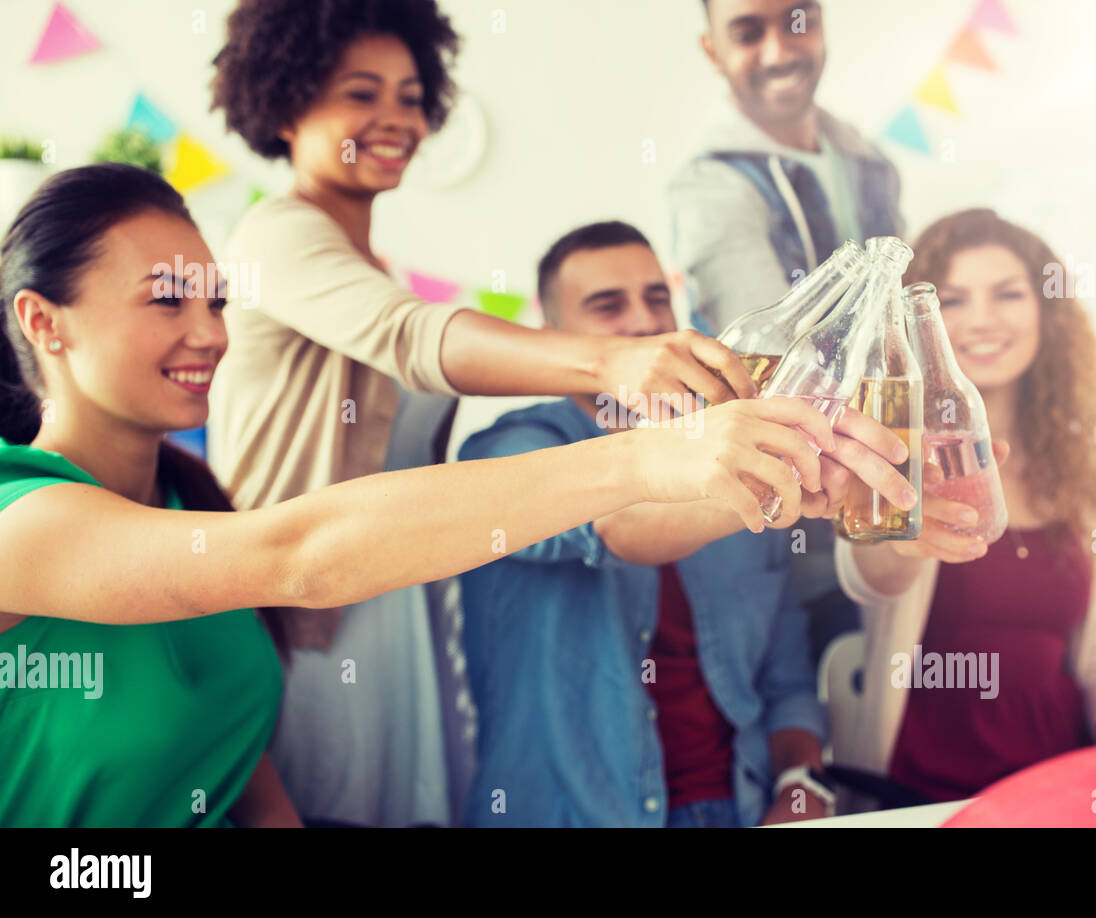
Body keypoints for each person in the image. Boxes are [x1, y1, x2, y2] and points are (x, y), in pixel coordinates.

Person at [0, 163, 840, 827]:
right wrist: (654, 458)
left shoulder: (191, 509)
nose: (211, 332)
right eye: (167, 301)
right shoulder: (19, 521)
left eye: (218, 301)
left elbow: (236, 774)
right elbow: (295, 557)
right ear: (44, 322)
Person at [207, 0, 776, 827]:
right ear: (287, 98)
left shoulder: (368, 263)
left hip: (394, 605)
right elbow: (411, 338)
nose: (396, 118)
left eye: (410, 95)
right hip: (301, 617)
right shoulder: (275, 235)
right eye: (362, 94)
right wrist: (612, 358)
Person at [457, 221, 917, 827]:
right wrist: (775, 481)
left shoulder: (740, 443)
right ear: (555, 336)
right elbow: (619, 528)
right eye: (607, 306)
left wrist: (802, 788)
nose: (646, 323)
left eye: (656, 297)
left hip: (738, 808)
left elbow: (785, 678)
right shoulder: (510, 450)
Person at [835, 209, 1096, 806]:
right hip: (922, 797)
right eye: (951, 300)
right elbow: (867, 581)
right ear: (913, 322)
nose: (982, 320)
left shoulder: (1079, 468)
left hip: (1060, 791)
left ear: (1046, 314)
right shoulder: (890, 440)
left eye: (1007, 294)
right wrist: (905, 530)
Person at [669, 0, 907, 649]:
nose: (779, 49)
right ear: (712, 50)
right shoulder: (712, 186)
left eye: (796, 20)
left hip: (888, 504)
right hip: (784, 533)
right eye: (748, 31)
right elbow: (780, 370)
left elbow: (905, 320)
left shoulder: (870, 162)